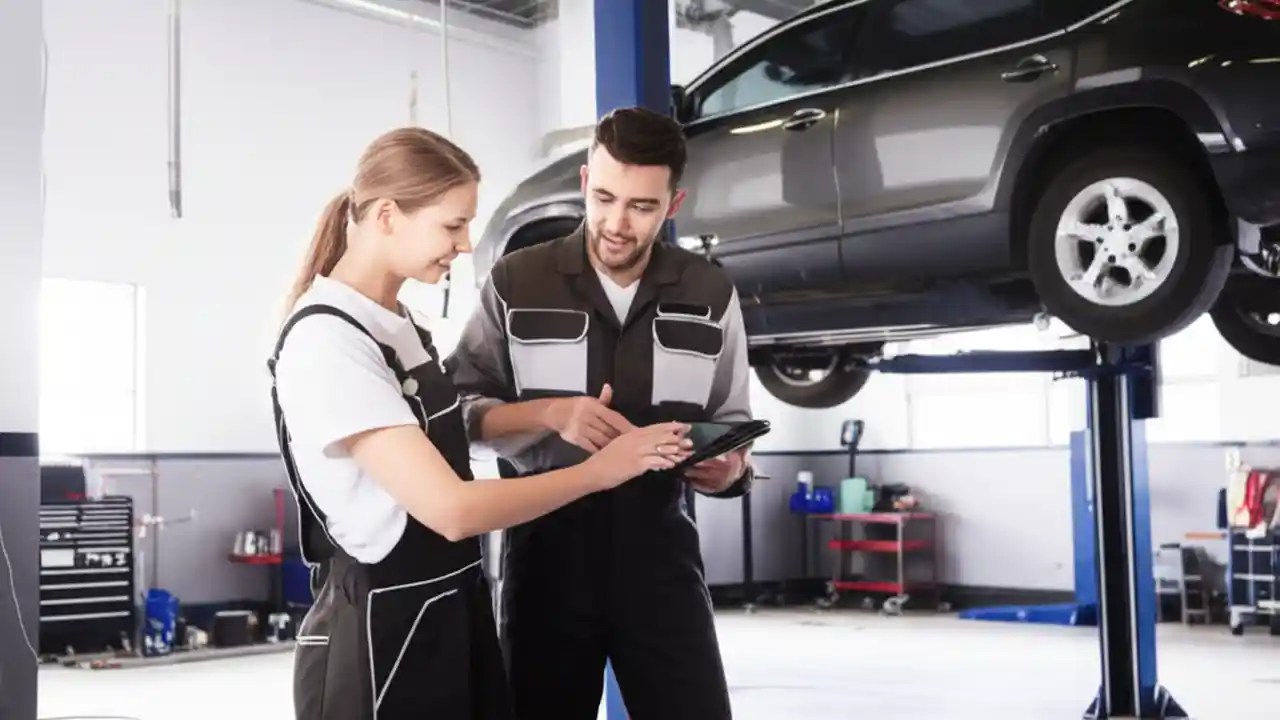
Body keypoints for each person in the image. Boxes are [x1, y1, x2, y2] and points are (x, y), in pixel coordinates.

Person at [266, 126, 692, 720]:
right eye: (453, 225)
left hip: (450, 607)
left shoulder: (400, 325)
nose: (466, 245)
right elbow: (451, 510)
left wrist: (551, 412)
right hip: (382, 639)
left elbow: (447, 432)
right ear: (386, 216)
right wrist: (601, 472)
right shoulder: (329, 340)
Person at [448, 107, 756, 720]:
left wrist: (731, 471)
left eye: (641, 207)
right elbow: (458, 413)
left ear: (673, 204)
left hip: (661, 555)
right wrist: (550, 414)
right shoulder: (516, 281)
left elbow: (734, 420)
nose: (616, 224)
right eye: (605, 198)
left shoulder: (709, 292)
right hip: (545, 555)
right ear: (585, 181)